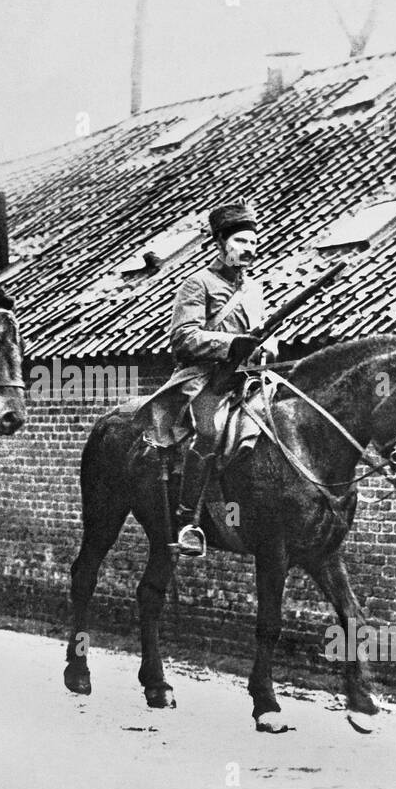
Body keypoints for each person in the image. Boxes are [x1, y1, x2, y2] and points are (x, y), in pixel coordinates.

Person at [142, 200, 276, 557]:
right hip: (203, 380)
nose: (250, 249)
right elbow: (184, 337)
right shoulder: (196, 284)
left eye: (252, 242)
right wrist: (232, 343)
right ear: (221, 242)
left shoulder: (255, 290)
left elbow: (264, 334)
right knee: (209, 431)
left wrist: (267, 348)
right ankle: (189, 519)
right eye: (241, 242)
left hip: (247, 378)